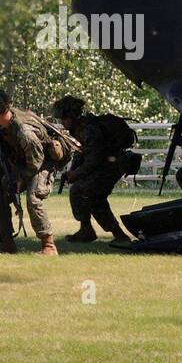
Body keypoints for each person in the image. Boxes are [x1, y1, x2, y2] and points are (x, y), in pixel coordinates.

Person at [0, 87, 73, 256]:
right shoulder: (1, 126)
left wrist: (21, 179)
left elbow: (36, 159)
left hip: (43, 163)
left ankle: (48, 246)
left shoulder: (24, 131)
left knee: (33, 198)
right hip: (24, 163)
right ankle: (7, 244)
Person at [53, 96, 139, 249]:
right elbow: (82, 153)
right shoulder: (80, 128)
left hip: (112, 165)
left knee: (91, 195)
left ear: (71, 116)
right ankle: (87, 230)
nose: (62, 121)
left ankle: (119, 235)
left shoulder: (88, 129)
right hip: (105, 164)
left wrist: (77, 174)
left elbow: (94, 157)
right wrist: (73, 171)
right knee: (80, 191)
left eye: (64, 118)